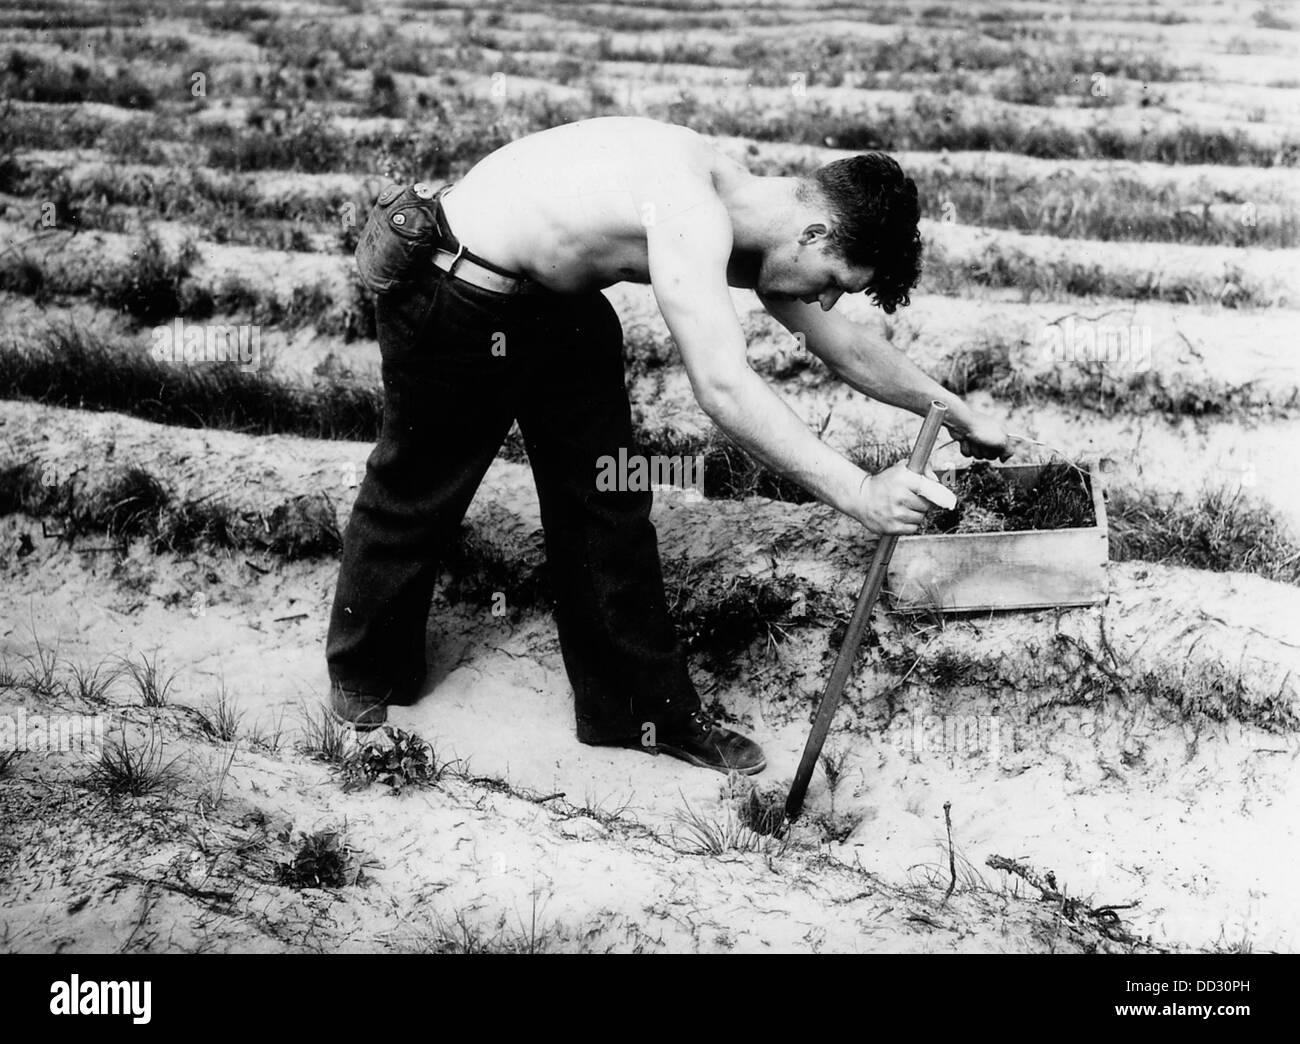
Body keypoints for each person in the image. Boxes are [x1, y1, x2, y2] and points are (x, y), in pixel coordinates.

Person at [327, 115, 1010, 775]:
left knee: (609, 496)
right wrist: (859, 493)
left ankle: (636, 712)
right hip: (457, 287)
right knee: (419, 485)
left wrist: (953, 411)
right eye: (836, 283)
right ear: (815, 230)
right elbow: (722, 386)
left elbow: (846, 349)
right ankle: (365, 669)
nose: (828, 302)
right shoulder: (693, 210)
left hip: (557, 305)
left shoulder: (754, 219)